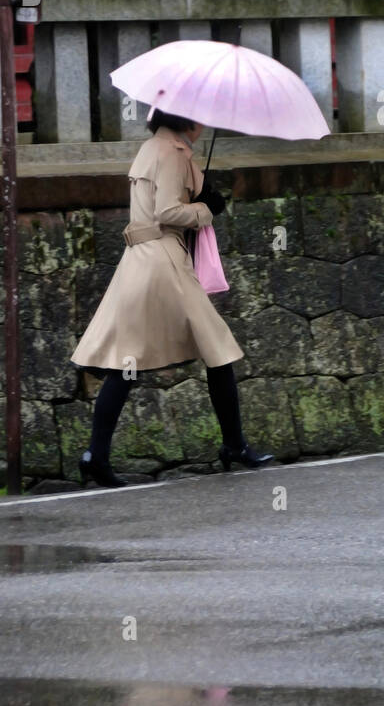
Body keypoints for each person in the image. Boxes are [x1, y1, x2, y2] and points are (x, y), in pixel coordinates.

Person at [72, 109, 273, 487]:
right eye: (201, 118)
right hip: (163, 262)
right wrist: (206, 208)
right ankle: (233, 445)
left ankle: (95, 456)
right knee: (219, 350)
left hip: (140, 261)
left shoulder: (152, 147)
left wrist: (197, 192)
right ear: (188, 120)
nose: (204, 125)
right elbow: (167, 211)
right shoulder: (172, 153)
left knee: (126, 364)